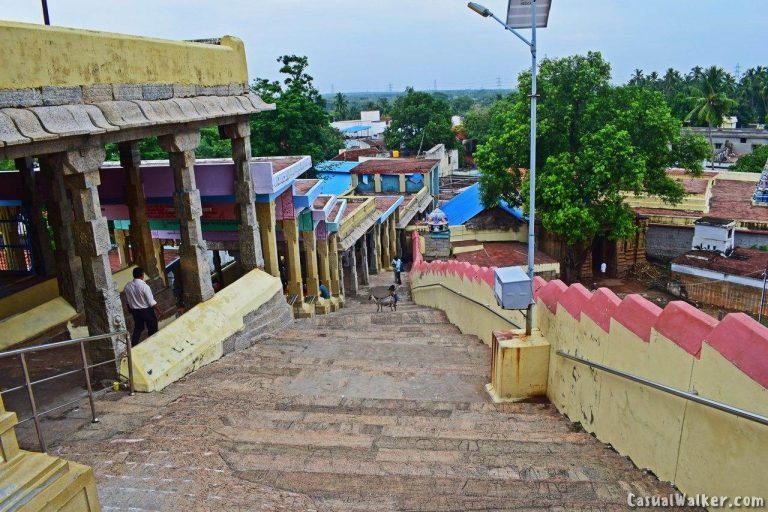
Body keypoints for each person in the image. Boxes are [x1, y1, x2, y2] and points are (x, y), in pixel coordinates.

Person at [124, 267, 160, 345]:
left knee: (138, 328)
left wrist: (130, 310)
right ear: (142, 275)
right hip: (146, 311)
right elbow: (152, 302)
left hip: (135, 312)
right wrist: (159, 311)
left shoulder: (127, 286)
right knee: (152, 327)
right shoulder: (144, 286)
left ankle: (133, 345)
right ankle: (153, 344)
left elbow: (127, 301)